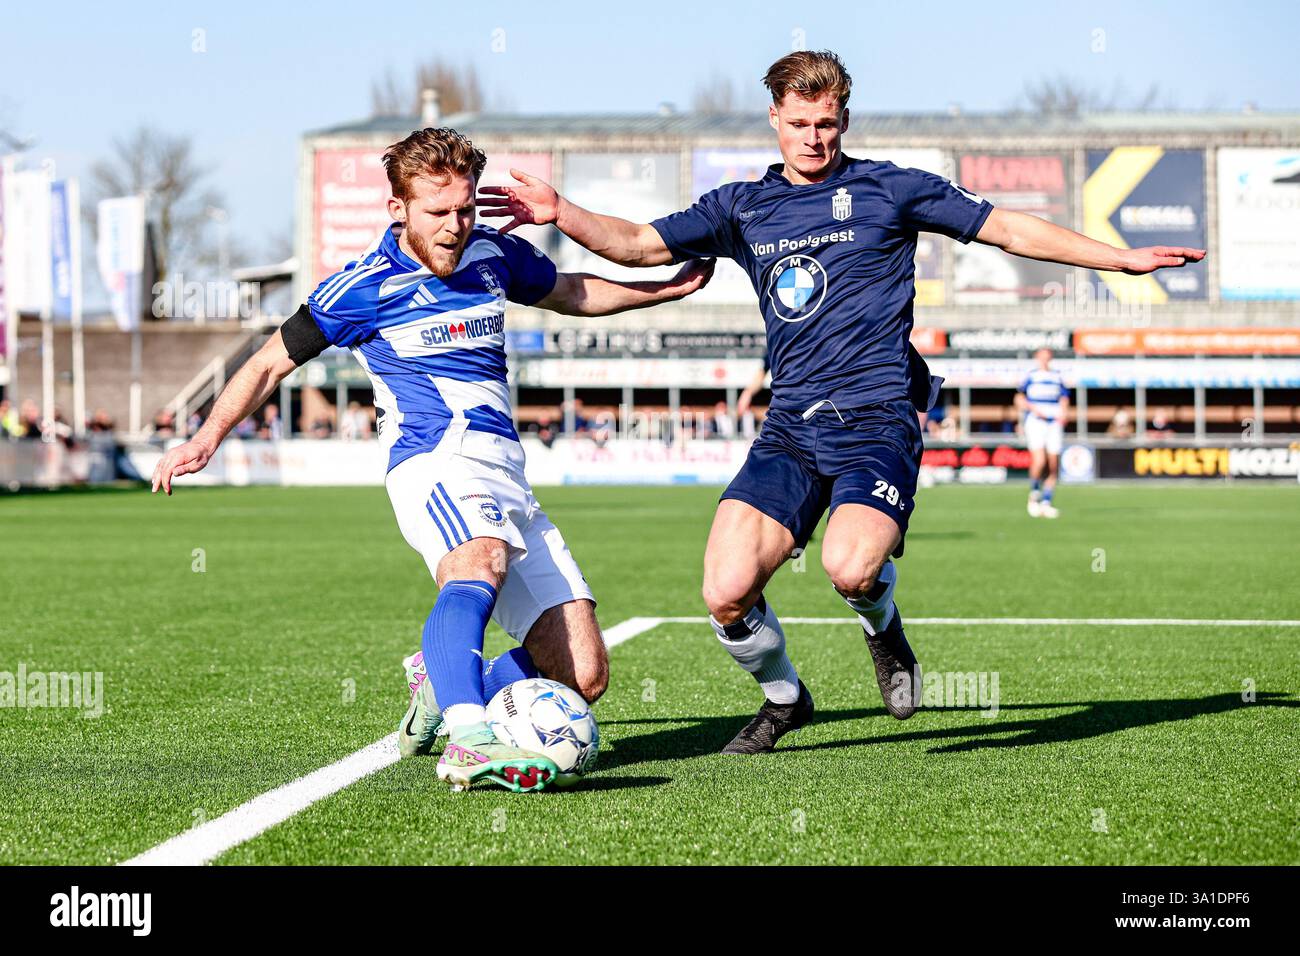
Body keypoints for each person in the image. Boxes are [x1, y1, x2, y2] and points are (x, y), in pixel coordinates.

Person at [480, 49, 1205, 753]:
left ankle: (883, 627)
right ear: (775, 119)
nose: (814, 137)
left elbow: (1009, 229)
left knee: (849, 567)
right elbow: (638, 244)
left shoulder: (893, 189)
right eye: (800, 124)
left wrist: (1121, 258)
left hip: (879, 416)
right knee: (725, 591)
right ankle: (786, 700)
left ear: (844, 118)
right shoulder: (742, 207)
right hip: (791, 429)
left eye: (827, 123)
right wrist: (560, 211)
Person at [152, 126, 713, 792]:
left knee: (583, 675)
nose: (455, 226)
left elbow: (571, 292)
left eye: (466, 208)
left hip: (507, 473)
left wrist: (663, 291)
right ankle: (472, 739)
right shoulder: (359, 288)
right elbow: (271, 362)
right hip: (433, 460)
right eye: (437, 212)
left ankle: (443, 677)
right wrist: (207, 436)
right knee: (478, 562)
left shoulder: (492, 256)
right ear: (399, 209)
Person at [1015, 348, 1069, 518]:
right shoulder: (1031, 376)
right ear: (1037, 358)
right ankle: (1034, 495)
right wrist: (1034, 410)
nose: (1045, 359)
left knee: (1053, 465)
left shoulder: (1057, 376)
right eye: (1042, 356)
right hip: (1036, 421)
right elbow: (1019, 398)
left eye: (1048, 357)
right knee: (1039, 461)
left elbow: (1064, 397)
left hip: (1054, 422)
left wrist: (1064, 413)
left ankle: (1046, 502)